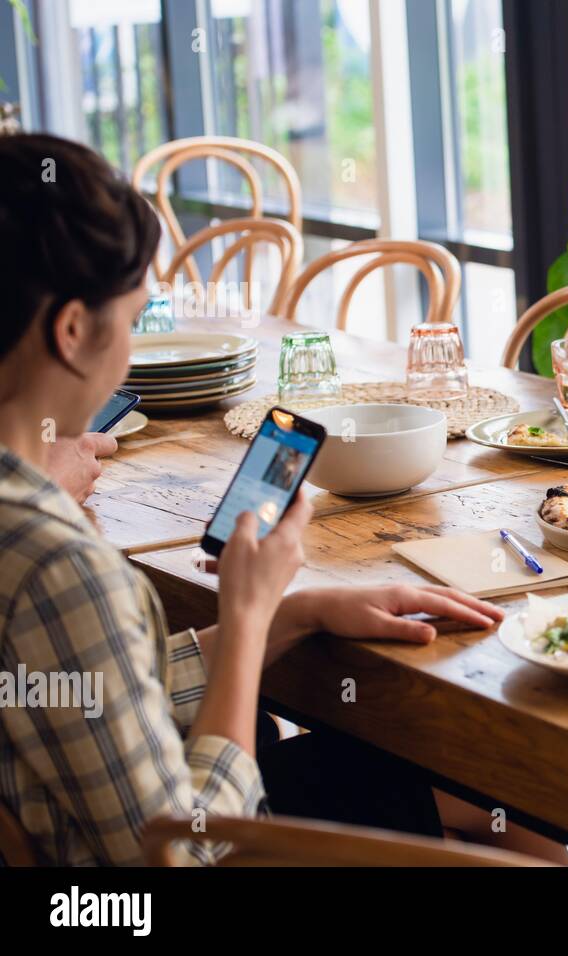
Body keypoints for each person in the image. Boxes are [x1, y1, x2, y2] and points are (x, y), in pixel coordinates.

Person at [0, 133, 513, 865]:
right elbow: (184, 855)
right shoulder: (55, 566)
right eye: (138, 315)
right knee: (490, 792)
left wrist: (293, 614)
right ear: (75, 331)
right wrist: (243, 618)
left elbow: (80, 695)